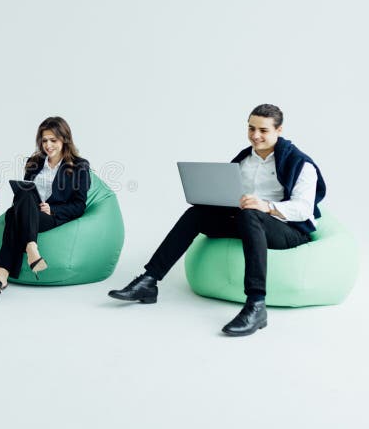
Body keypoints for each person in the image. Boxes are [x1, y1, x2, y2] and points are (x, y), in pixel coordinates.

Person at [108, 104, 325, 336]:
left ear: (279, 130)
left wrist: (266, 206)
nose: (255, 135)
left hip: (287, 230)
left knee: (251, 213)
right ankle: (148, 282)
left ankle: (256, 304)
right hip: (247, 222)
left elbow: (303, 209)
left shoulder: (301, 163)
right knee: (196, 214)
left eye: (263, 130)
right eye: (251, 128)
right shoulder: (244, 159)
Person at [0, 116, 91, 300]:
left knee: (13, 215)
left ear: (64, 139)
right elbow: (24, 194)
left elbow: (80, 205)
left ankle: (2, 273)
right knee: (23, 196)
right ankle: (31, 249)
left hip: (50, 216)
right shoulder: (34, 162)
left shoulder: (79, 166)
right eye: (44, 141)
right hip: (30, 212)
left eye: (53, 140)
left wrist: (54, 210)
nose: (48, 145)